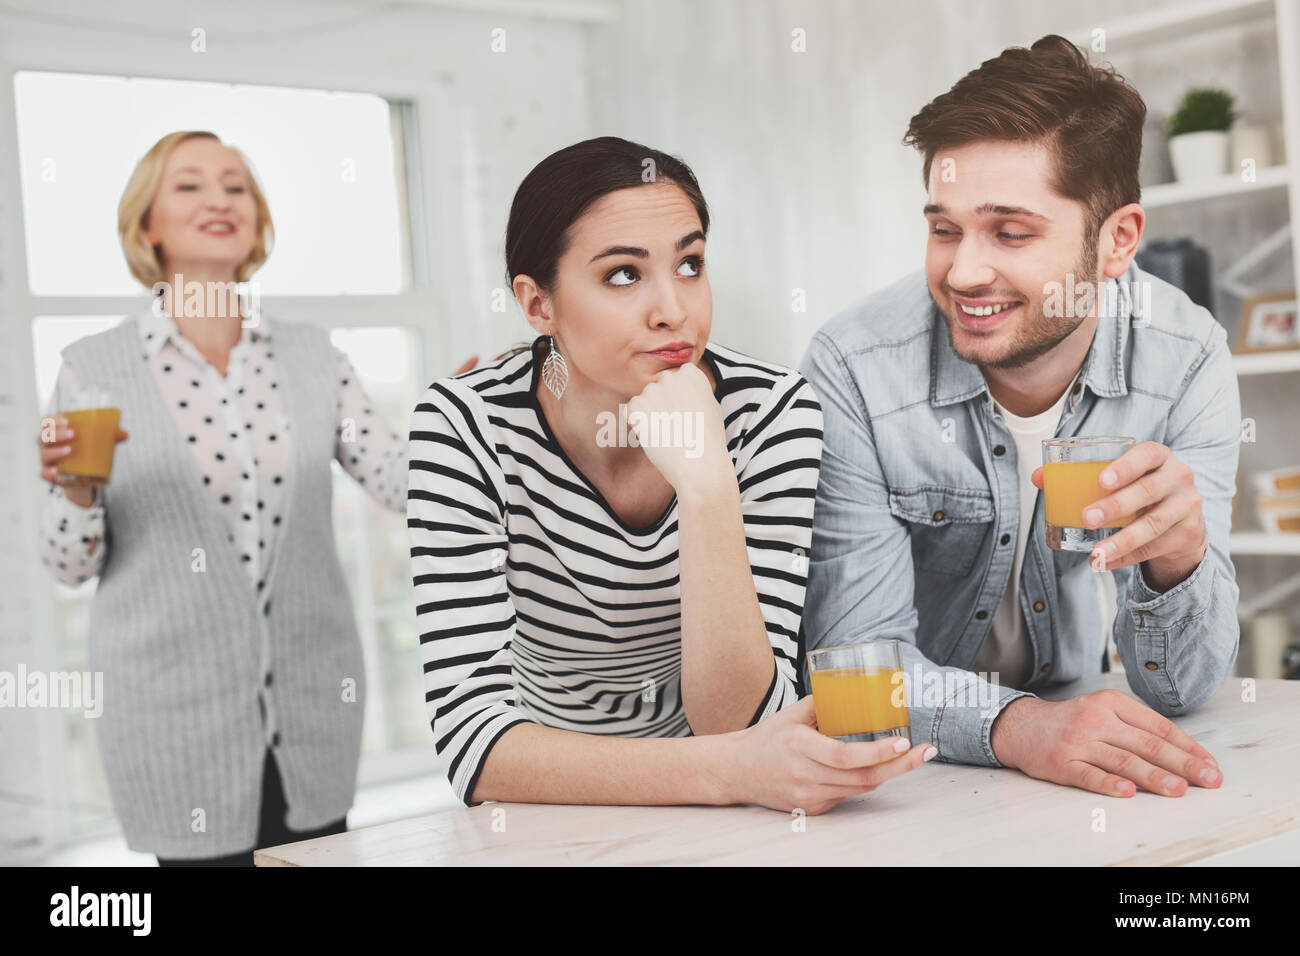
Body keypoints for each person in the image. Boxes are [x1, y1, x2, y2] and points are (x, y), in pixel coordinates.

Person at [408, 136, 935, 815]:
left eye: (689, 265)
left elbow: (738, 720)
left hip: (730, 814)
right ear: (538, 306)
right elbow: (474, 746)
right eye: (623, 275)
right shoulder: (464, 427)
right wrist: (729, 772)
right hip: (544, 810)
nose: (674, 310)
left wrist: (707, 485)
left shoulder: (771, 413)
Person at [801, 36, 1239, 800]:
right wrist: (1021, 727)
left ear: (1117, 241)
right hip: (897, 782)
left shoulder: (1186, 357)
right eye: (944, 229)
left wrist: (1181, 559)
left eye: (1010, 231)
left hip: (1081, 751)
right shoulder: (854, 368)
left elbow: (1182, 693)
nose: (964, 271)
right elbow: (857, 671)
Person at [36, 130, 472, 864]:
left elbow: (400, 480)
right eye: (190, 185)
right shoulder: (92, 370)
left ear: (256, 219)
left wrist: (457, 422)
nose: (219, 199)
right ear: (147, 225)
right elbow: (68, 564)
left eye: (236, 186)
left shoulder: (314, 357)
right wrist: (78, 492)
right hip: (169, 718)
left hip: (310, 707)